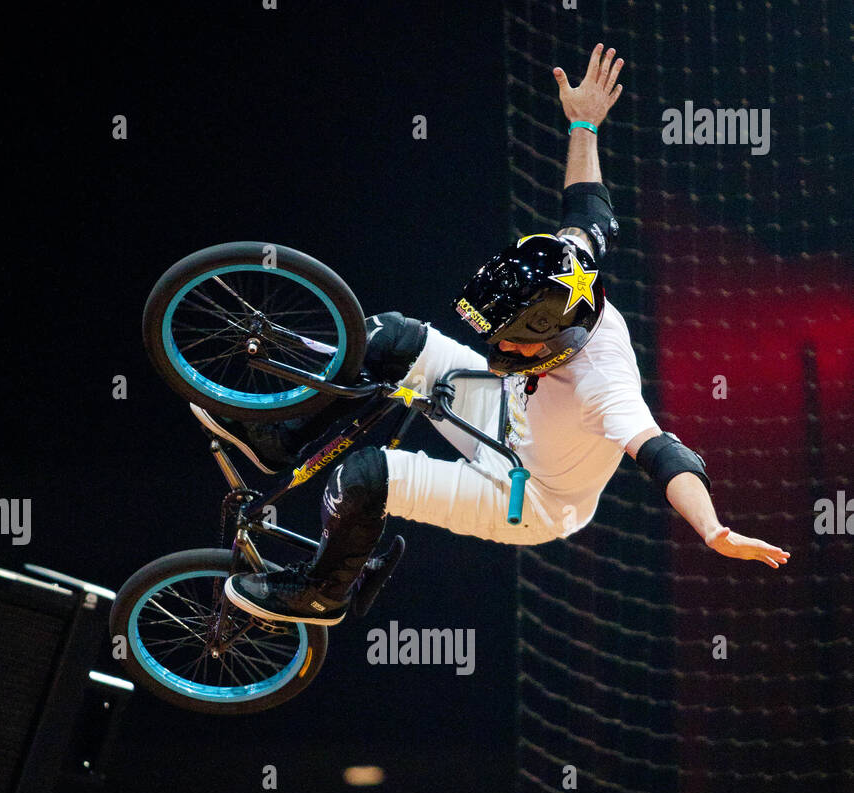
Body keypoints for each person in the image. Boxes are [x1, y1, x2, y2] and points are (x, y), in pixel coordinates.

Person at [224, 42, 789, 629]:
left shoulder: (605, 385)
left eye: (517, 344)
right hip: (502, 415)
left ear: (559, 341)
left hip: (528, 498)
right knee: (392, 339)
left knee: (363, 476)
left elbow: (665, 457)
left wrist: (714, 530)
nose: (503, 349)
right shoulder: (567, 271)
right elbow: (591, 210)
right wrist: (583, 122)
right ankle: (282, 439)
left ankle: (323, 592)